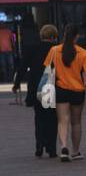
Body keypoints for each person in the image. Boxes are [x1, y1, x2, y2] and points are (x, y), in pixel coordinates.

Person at [44, 24, 86, 162]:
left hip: (61, 90)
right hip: (78, 91)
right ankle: (75, 151)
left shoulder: (54, 51)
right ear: (76, 36)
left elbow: (48, 70)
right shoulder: (83, 53)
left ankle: (64, 147)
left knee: (62, 121)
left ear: (64, 35)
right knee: (76, 122)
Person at [21, 24, 59, 158]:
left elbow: (23, 66)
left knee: (39, 117)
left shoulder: (32, 49)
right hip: (50, 86)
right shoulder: (56, 50)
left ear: (41, 35)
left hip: (35, 87)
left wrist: (16, 83)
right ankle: (51, 148)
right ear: (54, 36)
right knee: (52, 119)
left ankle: (39, 145)